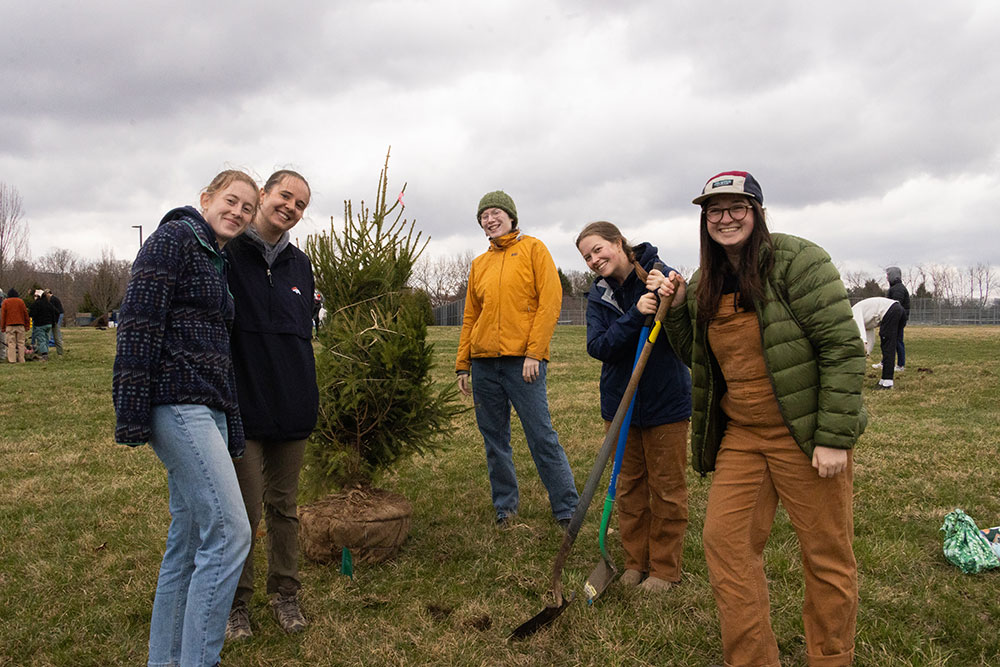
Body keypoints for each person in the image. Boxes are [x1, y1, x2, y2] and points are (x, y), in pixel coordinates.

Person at [660, 171, 865, 666]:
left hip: (804, 434)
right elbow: (700, 359)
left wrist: (833, 436)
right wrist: (677, 311)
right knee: (725, 545)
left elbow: (843, 348)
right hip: (744, 437)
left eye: (737, 207)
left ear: (758, 211)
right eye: (714, 210)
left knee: (825, 553)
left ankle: (831, 658)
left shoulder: (800, 261)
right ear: (705, 220)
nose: (725, 218)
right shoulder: (706, 281)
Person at [113, 170, 257, 667]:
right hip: (176, 403)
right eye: (231, 200)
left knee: (191, 537)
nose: (237, 212)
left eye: (245, 208)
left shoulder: (215, 259)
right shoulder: (173, 238)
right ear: (206, 199)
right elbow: (138, 322)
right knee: (231, 533)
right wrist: (131, 412)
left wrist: (230, 422)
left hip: (208, 406)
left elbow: (217, 350)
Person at [224, 170, 318, 640]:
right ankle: (234, 605)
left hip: (293, 407)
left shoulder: (300, 265)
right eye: (285, 196)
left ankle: (286, 594)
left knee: (285, 507)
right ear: (263, 195)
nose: (291, 208)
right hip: (244, 407)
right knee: (245, 512)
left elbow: (304, 333)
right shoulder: (227, 253)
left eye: (300, 204)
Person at [576, 221, 692, 592]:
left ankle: (663, 569)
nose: (594, 260)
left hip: (665, 402)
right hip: (619, 405)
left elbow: (686, 319)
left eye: (598, 249)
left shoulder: (661, 275)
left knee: (667, 488)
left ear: (619, 243)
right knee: (628, 488)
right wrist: (633, 315)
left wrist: (674, 295)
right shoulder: (599, 295)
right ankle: (633, 561)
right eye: (586, 256)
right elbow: (600, 347)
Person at [455, 190, 579, 529]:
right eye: (484, 215)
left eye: (495, 212)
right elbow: (470, 316)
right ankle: (505, 508)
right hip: (483, 365)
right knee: (494, 439)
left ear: (511, 216)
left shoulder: (534, 249)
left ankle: (567, 508)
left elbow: (550, 303)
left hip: (523, 363)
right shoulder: (479, 264)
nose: (489, 219)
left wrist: (534, 353)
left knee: (541, 435)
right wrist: (463, 363)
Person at [851, 296, 905, 390]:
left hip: (891, 310)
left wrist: (863, 347)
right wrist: (867, 352)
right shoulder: (864, 317)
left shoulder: (853, 314)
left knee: (888, 346)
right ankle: (885, 380)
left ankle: (887, 382)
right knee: (889, 345)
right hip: (898, 309)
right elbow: (869, 334)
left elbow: (861, 336)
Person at [884, 266, 909, 371]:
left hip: (897, 320)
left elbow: (895, 307)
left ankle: (900, 365)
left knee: (898, 341)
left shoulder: (898, 289)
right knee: (889, 341)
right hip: (895, 319)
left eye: (888, 275)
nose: (886, 277)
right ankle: (885, 362)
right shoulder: (894, 288)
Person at [28, 289, 58, 362]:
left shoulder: (36, 304)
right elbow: (56, 312)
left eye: (35, 296)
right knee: (46, 339)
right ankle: (45, 352)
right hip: (49, 325)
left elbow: (31, 314)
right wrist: (54, 323)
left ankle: (44, 355)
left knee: (41, 340)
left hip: (40, 324)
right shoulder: (49, 304)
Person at [1, 288, 30, 363]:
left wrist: (3, 327)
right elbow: (25, 314)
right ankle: (21, 359)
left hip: (9, 325)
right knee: (21, 343)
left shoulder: (5, 302)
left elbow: (3, 316)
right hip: (20, 325)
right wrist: (27, 325)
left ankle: (12, 360)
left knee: (11, 343)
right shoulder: (21, 302)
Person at [50, 291, 65, 355]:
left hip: (58, 314)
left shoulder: (52, 299)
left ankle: (56, 341)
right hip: (60, 313)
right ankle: (57, 340)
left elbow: (53, 309)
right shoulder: (54, 298)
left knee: (56, 327)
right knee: (57, 328)